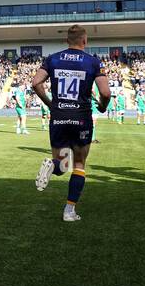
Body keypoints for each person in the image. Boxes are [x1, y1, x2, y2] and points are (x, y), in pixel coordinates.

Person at [31, 25, 111, 222]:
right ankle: (69, 211)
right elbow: (106, 92)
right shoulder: (93, 62)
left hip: (59, 117)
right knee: (78, 165)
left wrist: (51, 104)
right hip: (81, 117)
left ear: (67, 41)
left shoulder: (53, 59)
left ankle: (53, 165)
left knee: (62, 164)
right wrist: (102, 106)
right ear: (85, 41)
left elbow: (35, 83)